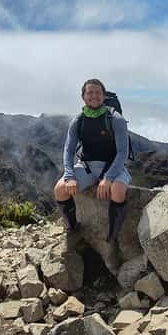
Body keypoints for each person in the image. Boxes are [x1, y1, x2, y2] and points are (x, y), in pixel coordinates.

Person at [53, 78, 131, 264]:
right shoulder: (78, 121)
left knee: (117, 191)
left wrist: (108, 178)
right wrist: (70, 175)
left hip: (114, 166)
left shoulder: (115, 119)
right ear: (83, 97)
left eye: (97, 92)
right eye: (90, 93)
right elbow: (69, 150)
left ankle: (112, 238)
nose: (94, 96)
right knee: (59, 189)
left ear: (103, 96)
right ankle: (73, 229)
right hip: (87, 166)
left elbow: (123, 152)